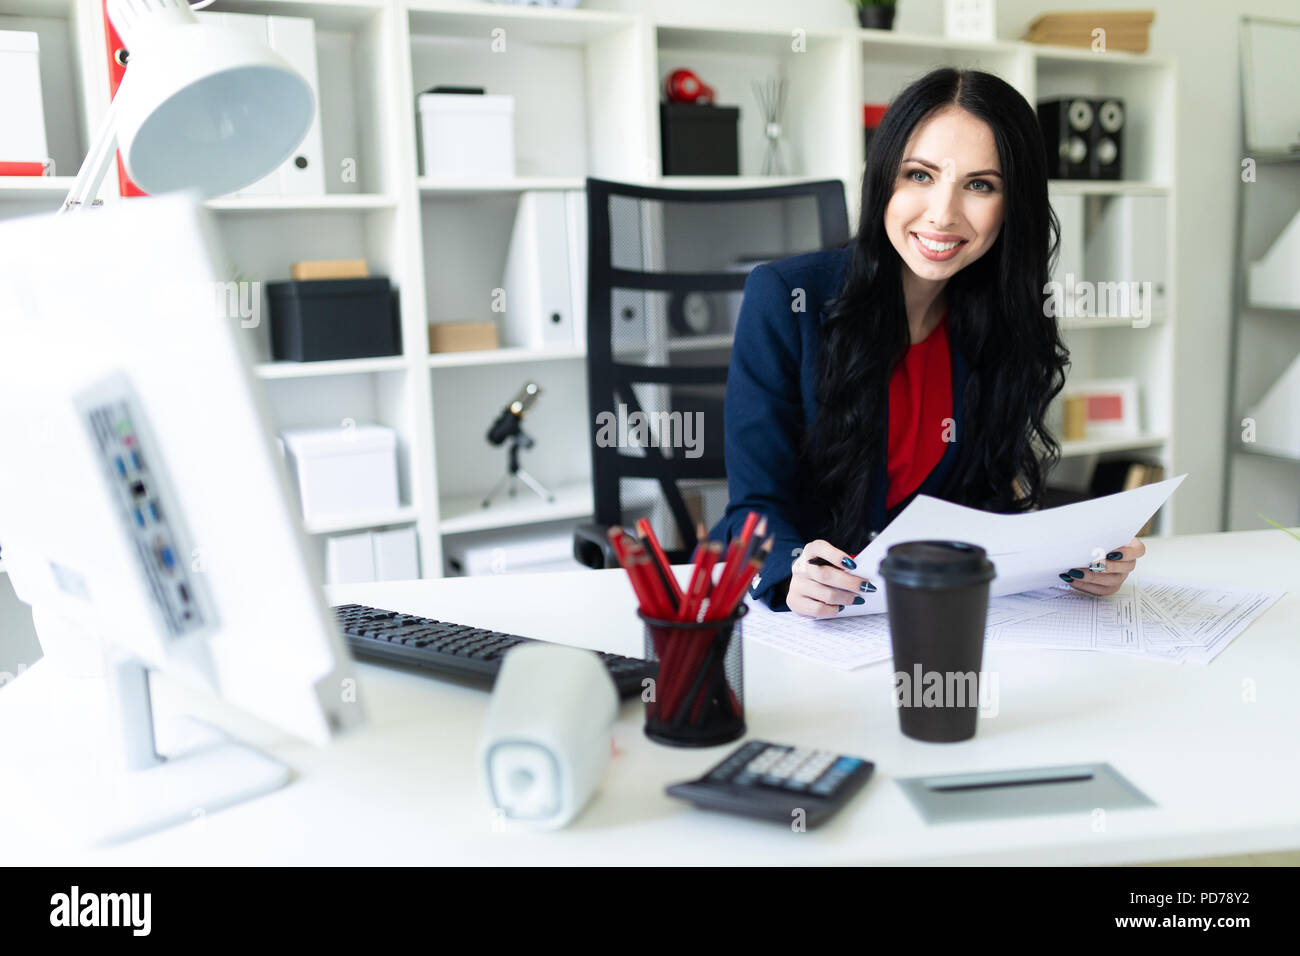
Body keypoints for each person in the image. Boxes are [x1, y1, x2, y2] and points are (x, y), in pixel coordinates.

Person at [711, 68, 1145, 618]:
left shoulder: (1005, 317)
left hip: (939, 614)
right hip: (820, 631)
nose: (943, 213)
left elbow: (985, 508)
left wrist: (1077, 559)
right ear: (884, 178)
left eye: (980, 184)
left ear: (1013, 205)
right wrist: (792, 570)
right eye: (920, 175)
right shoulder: (785, 296)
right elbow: (751, 510)